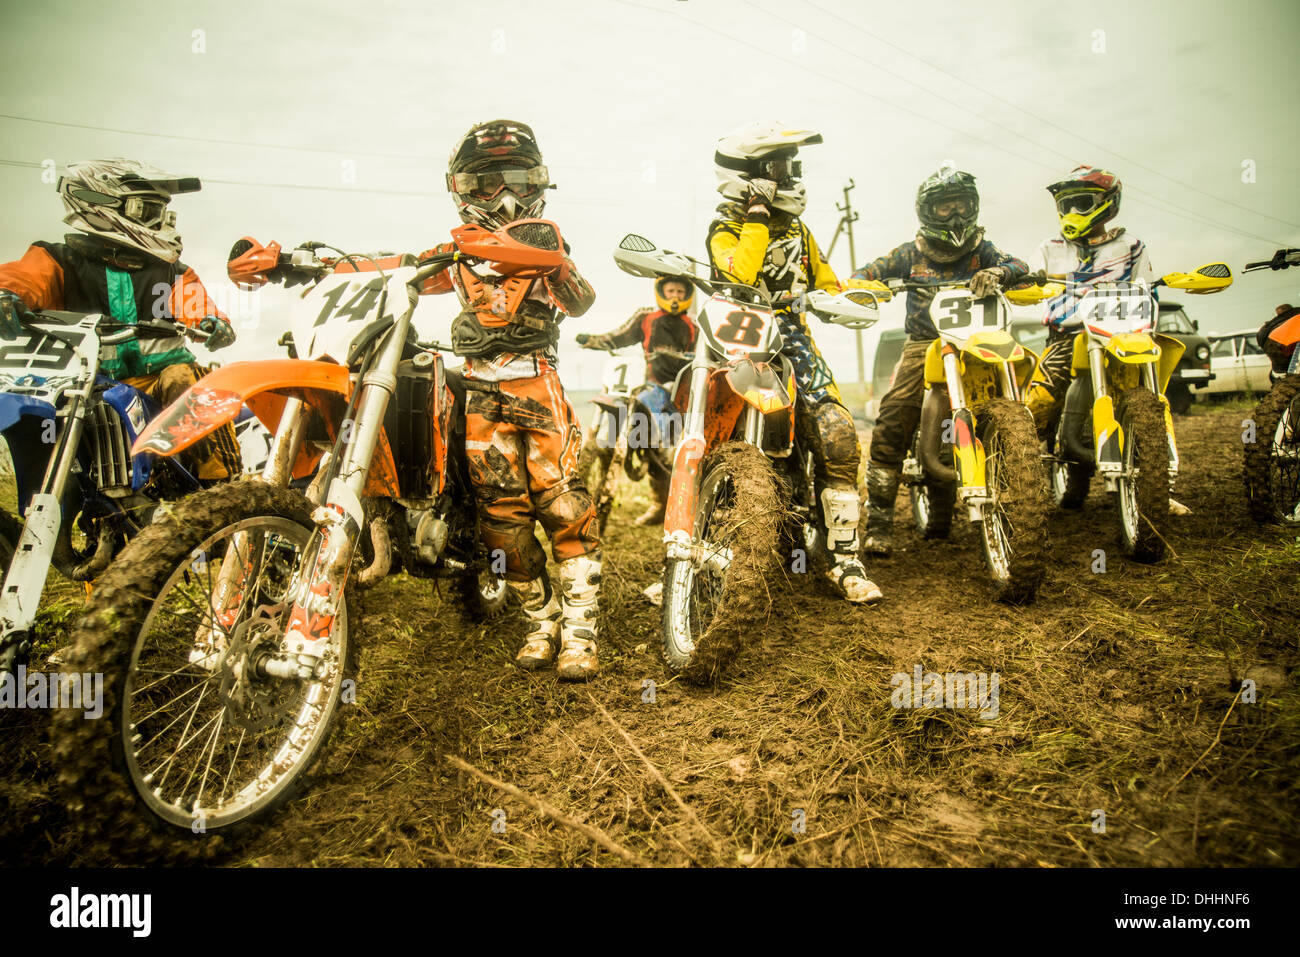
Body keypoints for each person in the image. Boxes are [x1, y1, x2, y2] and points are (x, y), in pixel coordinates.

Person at [426, 119, 602, 680]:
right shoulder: (455, 251)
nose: (503, 195)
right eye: (486, 184)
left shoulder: (546, 241)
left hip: (536, 385)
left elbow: (581, 302)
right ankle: (539, 617)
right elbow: (398, 267)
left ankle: (580, 627)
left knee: (562, 501)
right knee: (499, 515)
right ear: (462, 189)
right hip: (480, 390)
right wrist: (305, 265)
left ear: (539, 183)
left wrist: (552, 260)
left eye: (520, 180)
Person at [706, 120, 880, 604]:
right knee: (713, 438)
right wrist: (757, 215)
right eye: (778, 168)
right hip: (739, 337)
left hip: (795, 341)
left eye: (790, 167)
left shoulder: (800, 232)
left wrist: (862, 293)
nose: (789, 176)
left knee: (838, 436)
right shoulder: (726, 229)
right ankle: (695, 550)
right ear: (747, 176)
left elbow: (827, 284)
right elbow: (737, 273)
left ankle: (843, 559)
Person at [0, 158, 241, 480]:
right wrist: (7, 296)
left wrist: (211, 321)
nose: (160, 222)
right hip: (81, 382)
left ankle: (223, 487)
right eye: (148, 211)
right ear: (99, 204)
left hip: (156, 380)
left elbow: (194, 303)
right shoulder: (57, 259)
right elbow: (23, 279)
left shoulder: (171, 271)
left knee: (185, 379)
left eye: (163, 213)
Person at [850, 167, 1028, 556]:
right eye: (946, 207)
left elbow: (1020, 266)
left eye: (962, 205)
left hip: (977, 342)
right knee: (895, 414)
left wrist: (997, 272)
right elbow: (862, 274)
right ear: (928, 211)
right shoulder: (909, 253)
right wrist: (873, 287)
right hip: (924, 342)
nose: (956, 216)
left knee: (1014, 401)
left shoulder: (983, 250)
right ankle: (880, 519)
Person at [1023, 166, 1153, 437]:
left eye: (1080, 204)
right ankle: (1026, 465)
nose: (1071, 212)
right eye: (1066, 205)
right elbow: (1030, 281)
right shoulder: (1050, 247)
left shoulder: (1131, 246)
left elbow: (1147, 290)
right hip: (1066, 339)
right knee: (1038, 406)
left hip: (1124, 338)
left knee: (1147, 394)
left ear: (1107, 203)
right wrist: (1025, 286)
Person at [577, 276, 697, 525]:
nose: (675, 295)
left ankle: (667, 507)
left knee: (669, 451)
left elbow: (704, 354)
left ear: (687, 295)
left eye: (679, 291)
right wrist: (593, 340)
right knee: (647, 438)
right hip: (649, 387)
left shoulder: (694, 324)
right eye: (670, 290)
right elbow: (620, 335)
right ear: (661, 292)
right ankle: (609, 452)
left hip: (681, 392)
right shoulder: (647, 318)